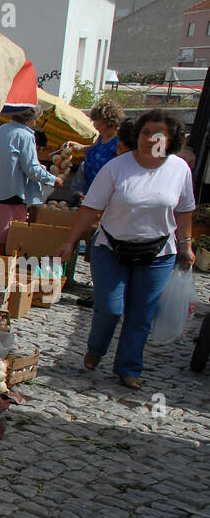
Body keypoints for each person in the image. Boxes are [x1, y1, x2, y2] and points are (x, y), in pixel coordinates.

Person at [54, 110, 195, 390]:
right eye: (145, 132)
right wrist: (70, 241)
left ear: (171, 139)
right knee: (110, 307)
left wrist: (186, 245)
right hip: (112, 249)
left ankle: (129, 368)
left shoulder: (180, 169)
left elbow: (184, 210)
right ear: (137, 134)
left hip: (158, 254)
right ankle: (96, 347)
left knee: (141, 314)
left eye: (158, 134)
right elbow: (89, 208)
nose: (150, 138)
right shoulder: (117, 167)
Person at [0, 108, 62, 255]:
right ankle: (0, 273)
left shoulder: (2, 129)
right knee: (5, 238)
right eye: (36, 119)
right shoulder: (25, 136)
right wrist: (53, 179)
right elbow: (31, 168)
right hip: (10, 194)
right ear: (30, 119)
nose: (36, 123)